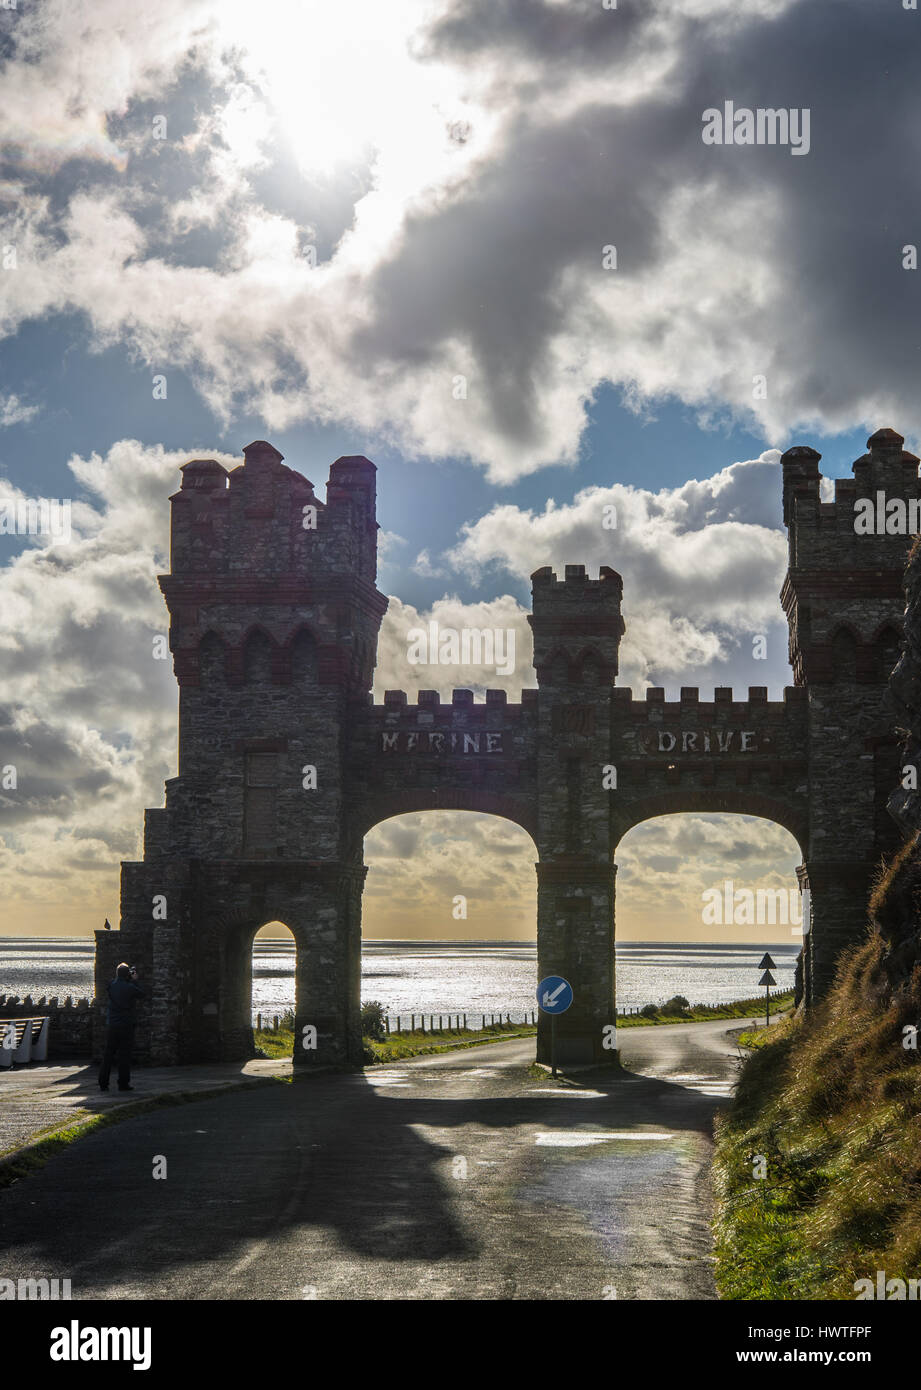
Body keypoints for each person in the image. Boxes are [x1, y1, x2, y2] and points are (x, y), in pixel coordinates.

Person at [98, 963, 144, 1092]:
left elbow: (115, 983)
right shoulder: (130, 987)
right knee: (124, 1055)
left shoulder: (111, 986)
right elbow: (142, 994)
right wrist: (135, 981)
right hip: (126, 1024)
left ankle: (103, 1083)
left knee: (108, 1054)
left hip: (112, 1024)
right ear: (127, 974)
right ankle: (123, 1083)